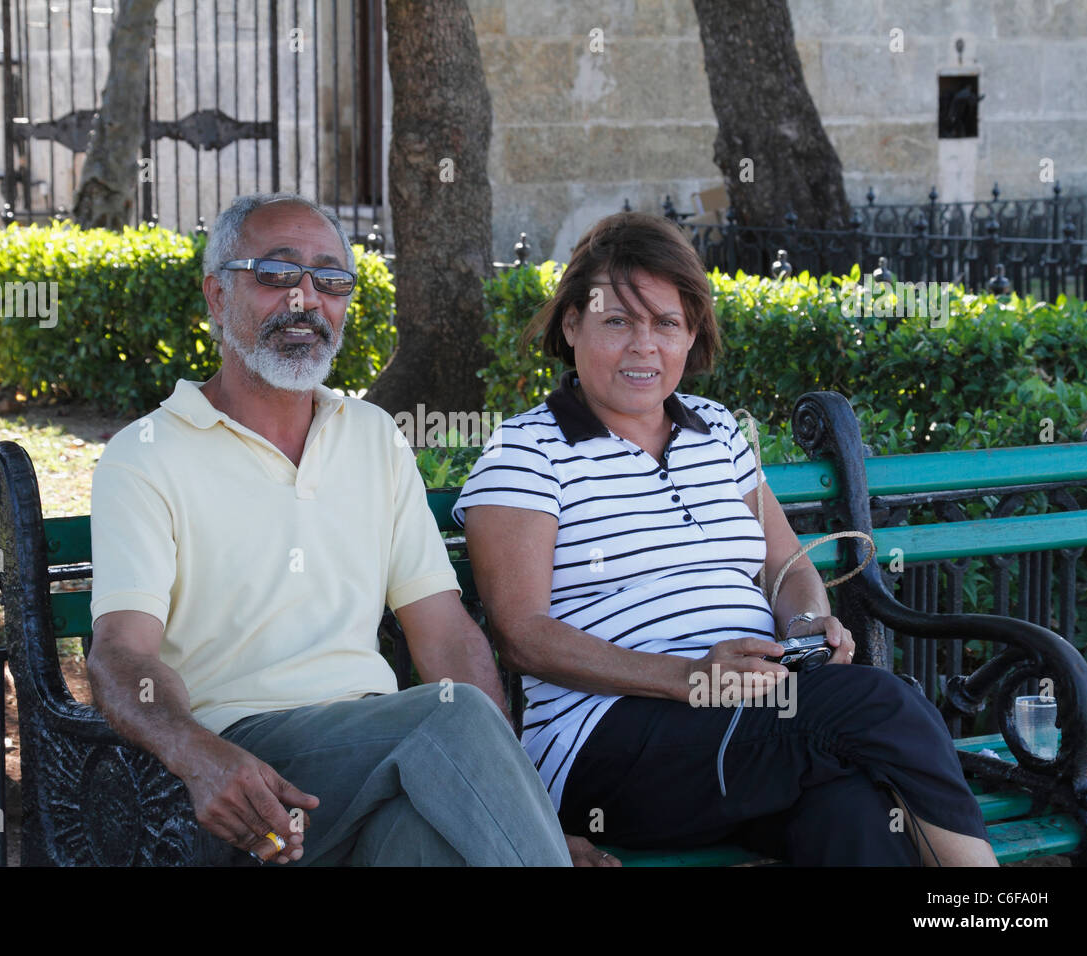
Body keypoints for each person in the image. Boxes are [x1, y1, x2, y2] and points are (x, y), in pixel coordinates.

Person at [456, 211, 997, 866]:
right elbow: (521, 632)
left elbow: (787, 567)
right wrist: (688, 678)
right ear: (572, 325)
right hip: (606, 743)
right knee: (883, 702)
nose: (643, 347)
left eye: (666, 323)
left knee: (853, 812)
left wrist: (806, 626)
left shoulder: (714, 429)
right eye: (618, 321)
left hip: (754, 715)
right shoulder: (527, 450)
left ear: (691, 335)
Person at [85, 192, 605, 866]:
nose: (306, 299)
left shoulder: (372, 438)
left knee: (435, 849)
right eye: (277, 274)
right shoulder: (148, 453)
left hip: (378, 772)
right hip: (242, 783)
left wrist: (512, 807)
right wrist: (198, 755)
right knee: (449, 714)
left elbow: (444, 634)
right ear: (217, 294)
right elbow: (120, 654)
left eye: (330, 280)